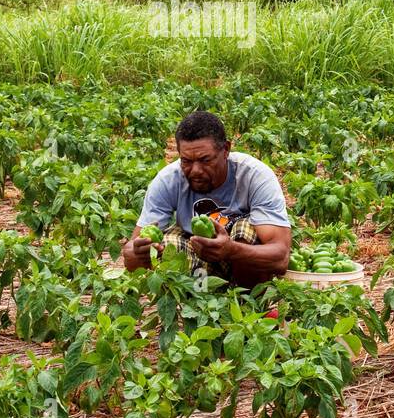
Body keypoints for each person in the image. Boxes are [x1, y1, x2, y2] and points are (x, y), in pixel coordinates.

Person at [122, 110, 290, 286]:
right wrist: (138, 251)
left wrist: (231, 250)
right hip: (197, 266)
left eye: (205, 160)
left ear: (226, 150)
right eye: (186, 161)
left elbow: (281, 257)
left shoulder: (254, 176)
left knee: (245, 229)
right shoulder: (168, 180)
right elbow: (131, 257)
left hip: (241, 264)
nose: (195, 170)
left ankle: (246, 306)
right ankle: (197, 306)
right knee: (168, 243)